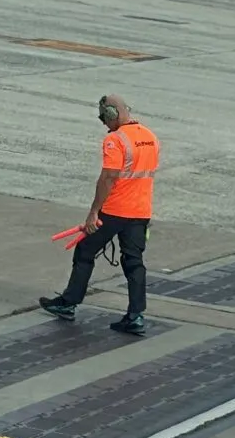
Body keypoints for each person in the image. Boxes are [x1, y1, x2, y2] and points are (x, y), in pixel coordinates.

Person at [38, 95, 159, 336]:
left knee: (85, 250)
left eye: (104, 118)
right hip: (141, 211)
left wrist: (93, 213)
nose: (104, 124)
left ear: (112, 114)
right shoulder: (150, 136)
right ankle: (136, 316)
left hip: (114, 211)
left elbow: (108, 178)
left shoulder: (115, 140)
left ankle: (69, 303)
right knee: (134, 261)